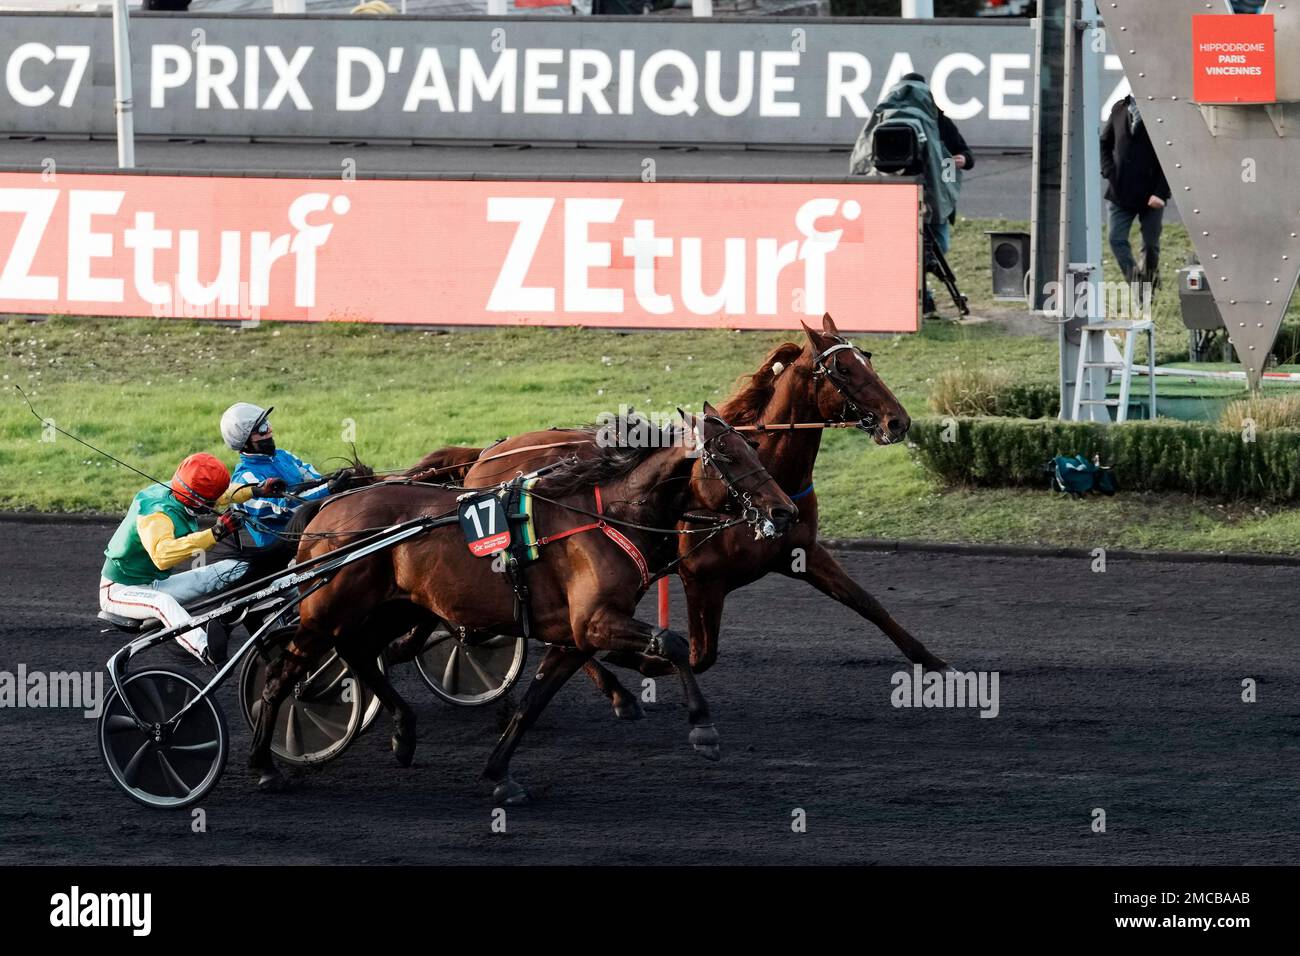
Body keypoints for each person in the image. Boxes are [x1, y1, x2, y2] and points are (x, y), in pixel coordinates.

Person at [99, 453, 283, 666]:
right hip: (119, 591)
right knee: (163, 604)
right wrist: (214, 533)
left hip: (156, 584)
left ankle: (282, 597)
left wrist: (256, 489)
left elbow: (222, 495)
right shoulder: (155, 513)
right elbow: (162, 556)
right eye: (209, 503)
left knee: (230, 568)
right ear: (196, 500)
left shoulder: (183, 488)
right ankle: (206, 649)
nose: (216, 504)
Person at [220, 403, 346, 550]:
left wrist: (333, 481)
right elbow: (287, 507)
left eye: (267, 423)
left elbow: (314, 478)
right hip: (283, 550)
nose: (270, 430)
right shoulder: (244, 479)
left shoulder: (284, 456)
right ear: (245, 442)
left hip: (312, 532)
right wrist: (329, 488)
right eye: (262, 429)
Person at [1100, 93, 1171, 289]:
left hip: (1152, 195)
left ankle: (1150, 284)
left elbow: (1171, 156)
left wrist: (1161, 192)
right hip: (1120, 192)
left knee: (1150, 245)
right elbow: (1104, 143)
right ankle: (1137, 283)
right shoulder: (1119, 108)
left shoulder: (1160, 111)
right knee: (1115, 239)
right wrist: (1109, 171)